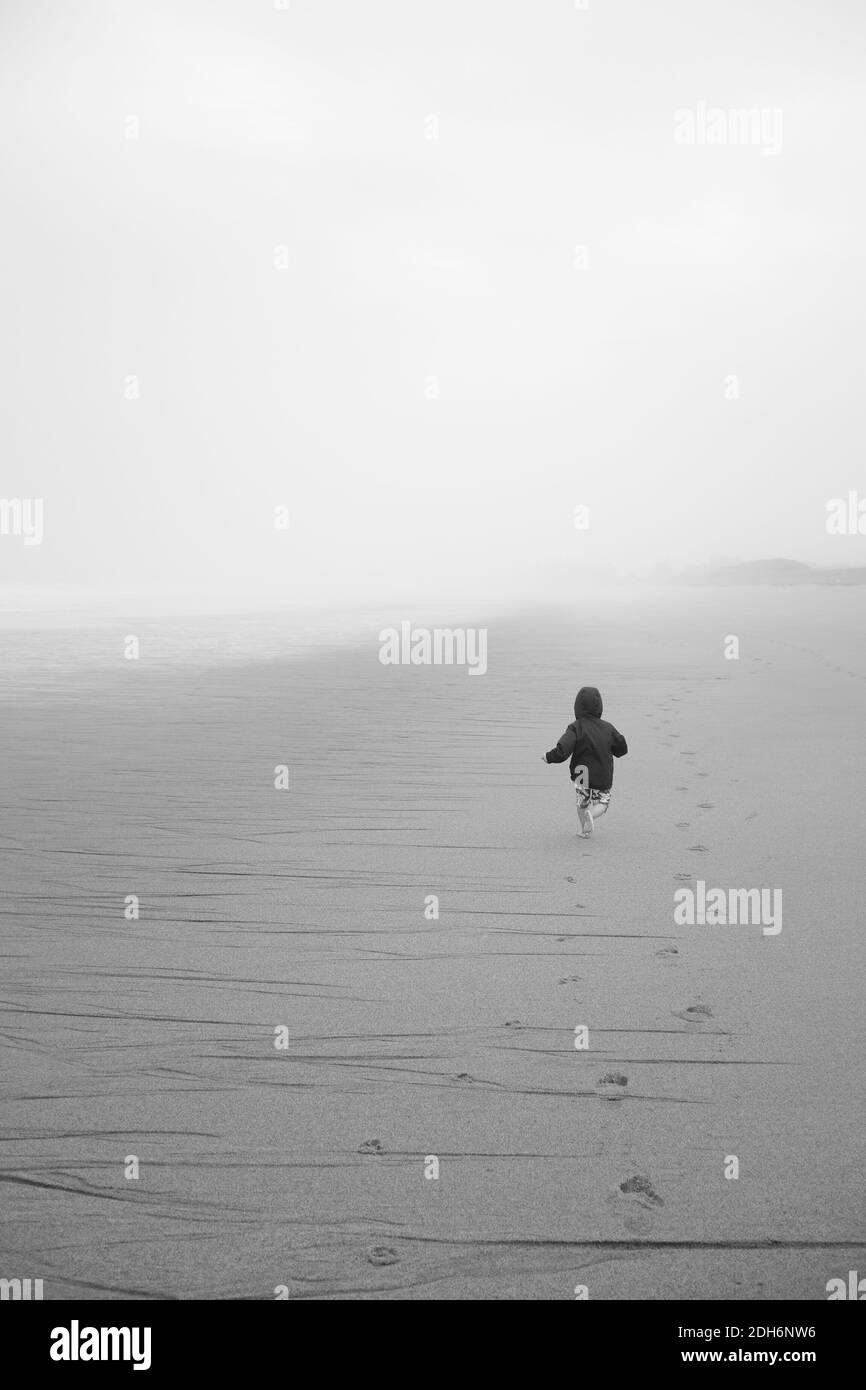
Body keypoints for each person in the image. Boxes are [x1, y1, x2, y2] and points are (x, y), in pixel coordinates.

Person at [542, 686, 628, 837]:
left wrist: (549, 757)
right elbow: (621, 748)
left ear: (577, 708)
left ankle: (584, 830)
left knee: (582, 801)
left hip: (581, 771)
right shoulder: (608, 728)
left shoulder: (575, 727)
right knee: (602, 802)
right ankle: (592, 815)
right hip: (602, 771)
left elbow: (563, 750)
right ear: (600, 707)